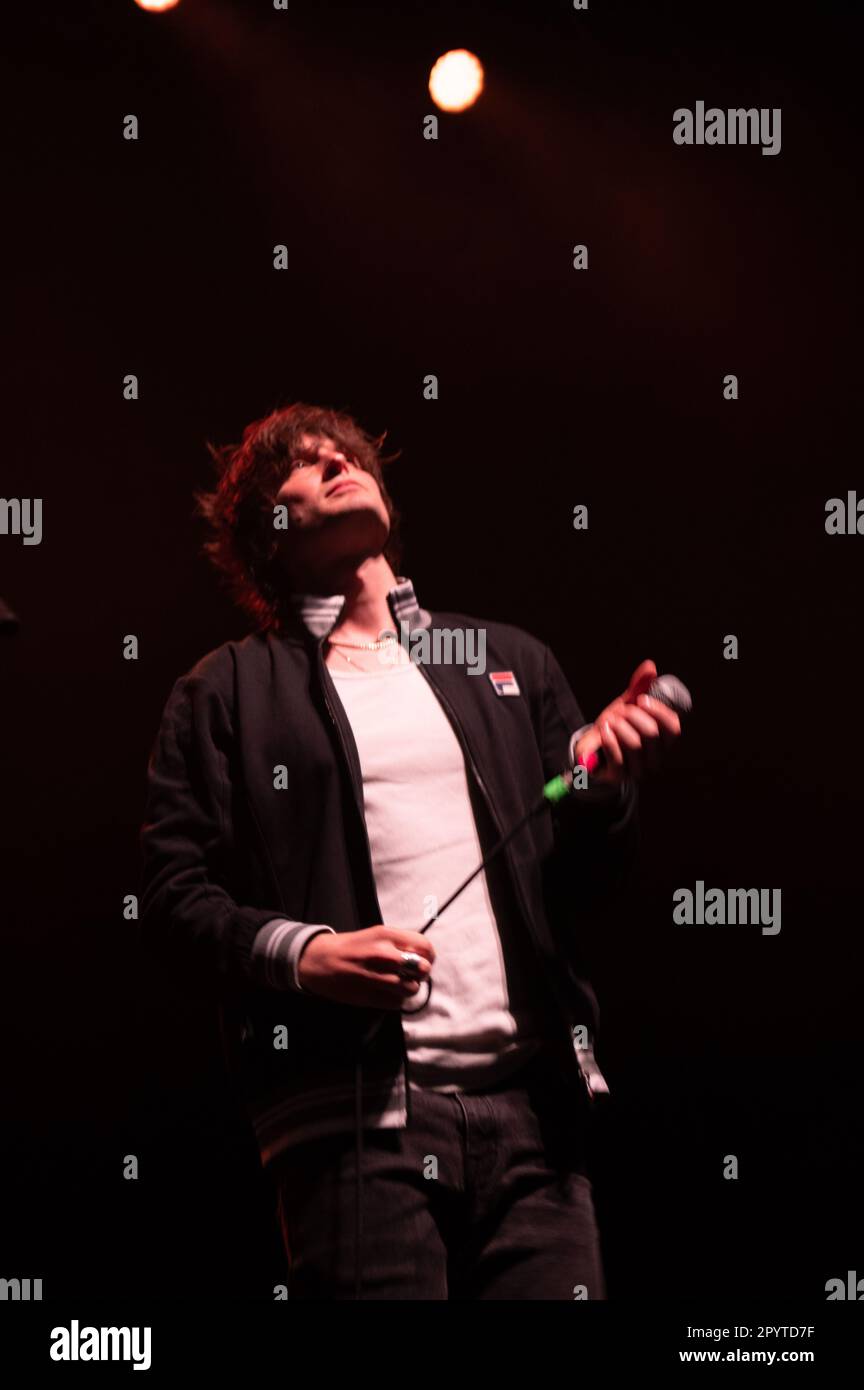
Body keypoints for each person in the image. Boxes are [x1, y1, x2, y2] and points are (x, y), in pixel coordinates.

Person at [140, 401, 681, 1300]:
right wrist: (307, 956)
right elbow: (169, 899)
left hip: (539, 1125)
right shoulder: (224, 691)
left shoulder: (505, 661)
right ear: (266, 536)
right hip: (355, 1131)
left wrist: (603, 790)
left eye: (345, 452)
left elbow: (586, 887)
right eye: (303, 467)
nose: (333, 461)